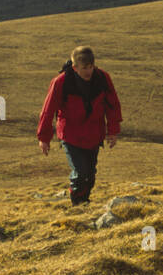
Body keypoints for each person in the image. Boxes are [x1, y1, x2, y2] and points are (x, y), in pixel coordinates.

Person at [36, 46, 121, 205]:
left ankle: (85, 201)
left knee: (90, 173)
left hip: (94, 135)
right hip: (71, 136)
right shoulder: (61, 82)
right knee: (80, 172)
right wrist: (44, 138)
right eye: (84, 68)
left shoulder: (103, 78)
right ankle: (77, 204)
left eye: (91, 67)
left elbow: (113, 105)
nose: (89, 71)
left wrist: (113, 131)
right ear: (75, 67)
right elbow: (48, 110)